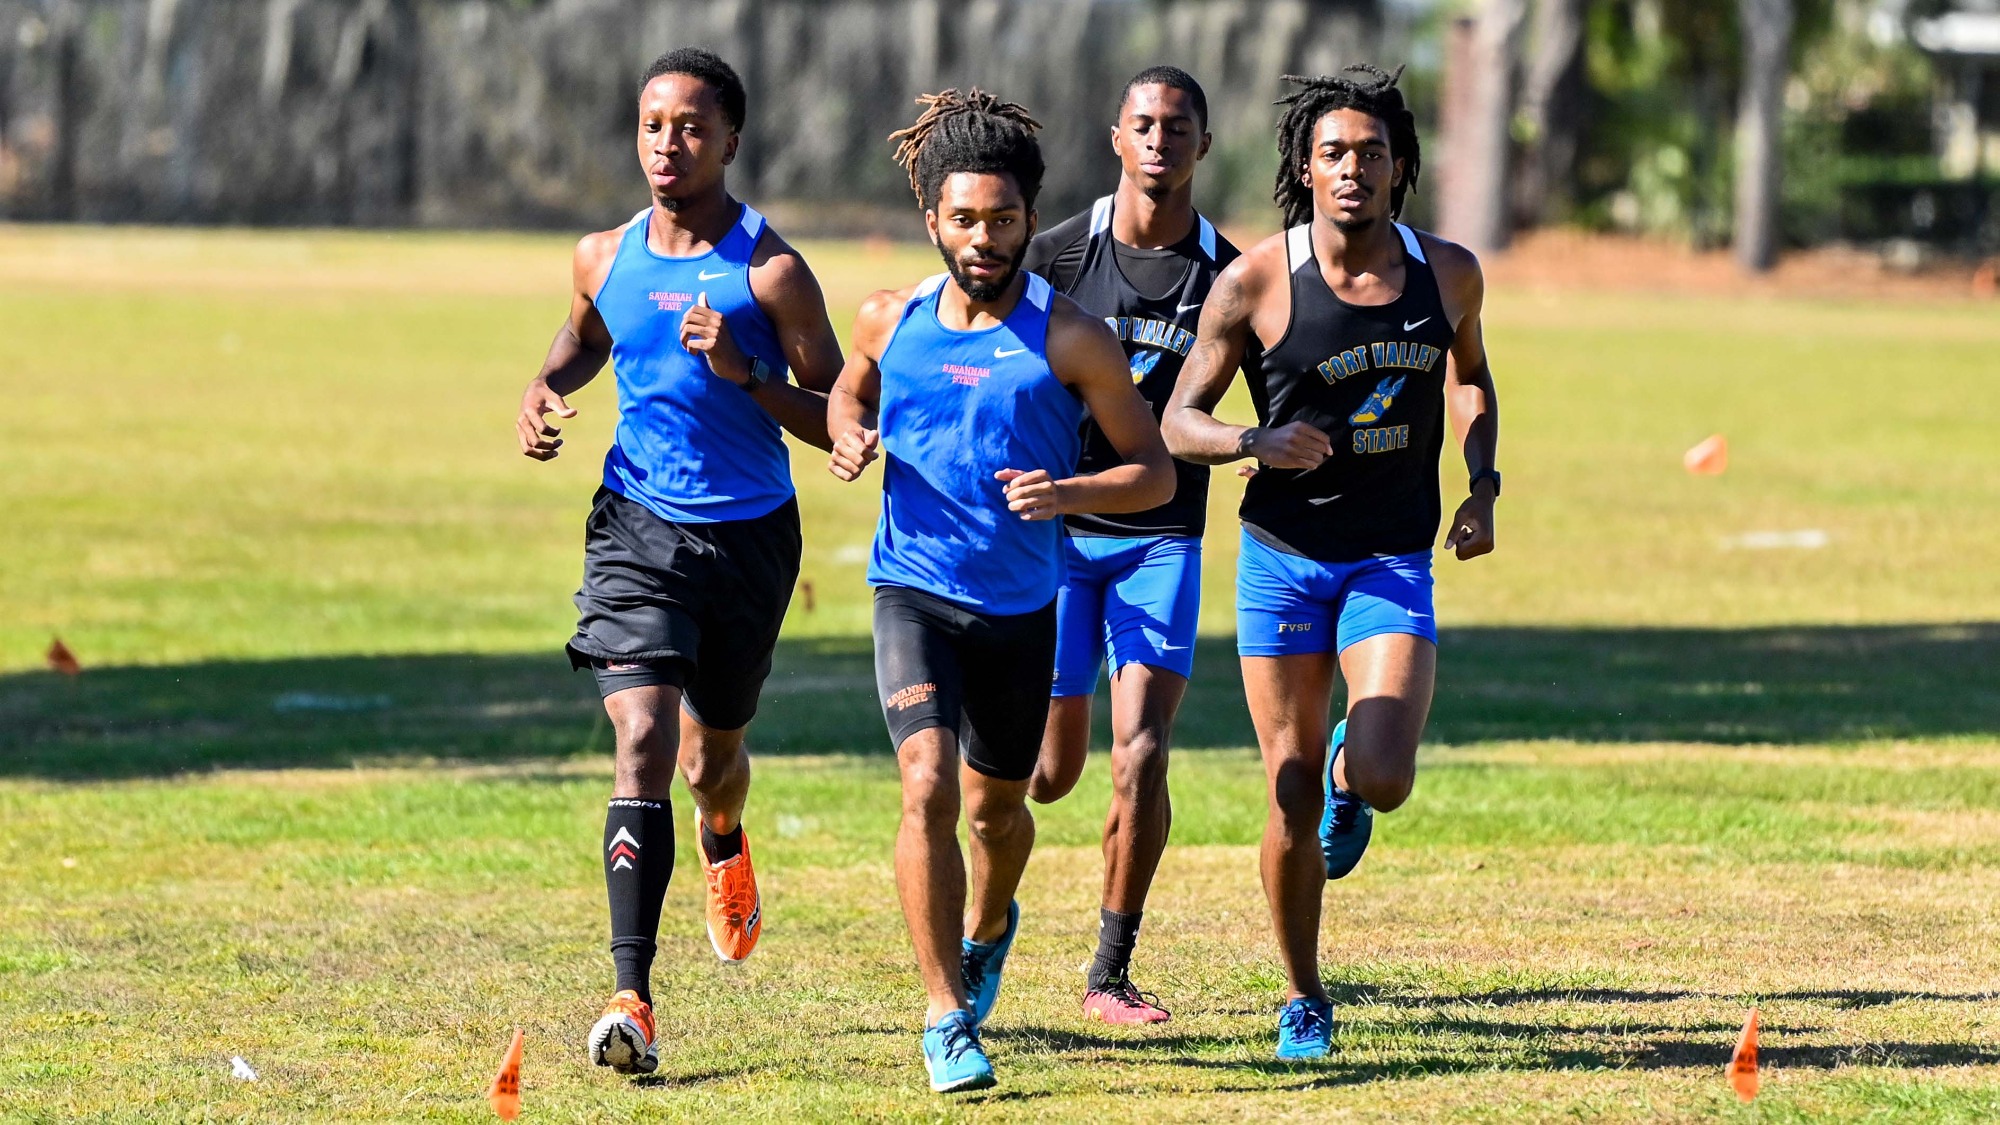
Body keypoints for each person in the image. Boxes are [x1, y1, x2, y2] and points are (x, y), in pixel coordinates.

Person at [825, 89, 1175, 1093]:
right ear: (932, 219)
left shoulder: (1070, 338)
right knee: (926, 785)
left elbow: (1152, 472)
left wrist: (1066, 492)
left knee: (994, 816)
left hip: (1021, 611)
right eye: (965, 219)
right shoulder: (888, 318)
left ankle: (988, 925)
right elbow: (849, 383)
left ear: (1030, 219)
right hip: (911, 591)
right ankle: (946, 1018)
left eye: (1004, 219)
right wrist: (848, 430)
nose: (984, 238)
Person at [513, 47, 843, 1076]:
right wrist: (541, 386)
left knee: (710, 759)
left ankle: (723, 832)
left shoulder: (770, 272)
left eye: (692, 127)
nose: (669, 143)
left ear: (730, 141)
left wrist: (744, 373)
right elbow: (584, 340)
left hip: (750, 539)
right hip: (636, 527)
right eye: (654, 124)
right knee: (645, 738)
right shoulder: (601, 255)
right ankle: (632, 995)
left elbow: (841, 414)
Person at [1160, 64, 1501, 1060]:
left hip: (1390, 558)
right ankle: (1302, 994)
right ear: (1304, 169)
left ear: (1399, 167)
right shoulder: (1256, 283)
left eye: (1371, 154)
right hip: (1283, 560)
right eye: (1333, 154)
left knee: (1382, 775)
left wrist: (1482, 484)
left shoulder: (1448, 274)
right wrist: (1253, 442)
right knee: (1289, 789)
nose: (1353, 170)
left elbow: (1471, 378)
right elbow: (1178, 420)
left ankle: (1357, 776)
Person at [1018, 65, 1240, 1025]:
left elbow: (1278, 390)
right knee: (1045, 775)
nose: (1159, 140)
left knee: (1140, 753)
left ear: (1203, 145)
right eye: (1143, 124)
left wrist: (1265, 450)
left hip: (1162, 540)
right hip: (1057, 538)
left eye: (1177, 127)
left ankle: (1110, 971)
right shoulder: (1059, 256)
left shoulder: (1229, 275)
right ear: (1116, 137)